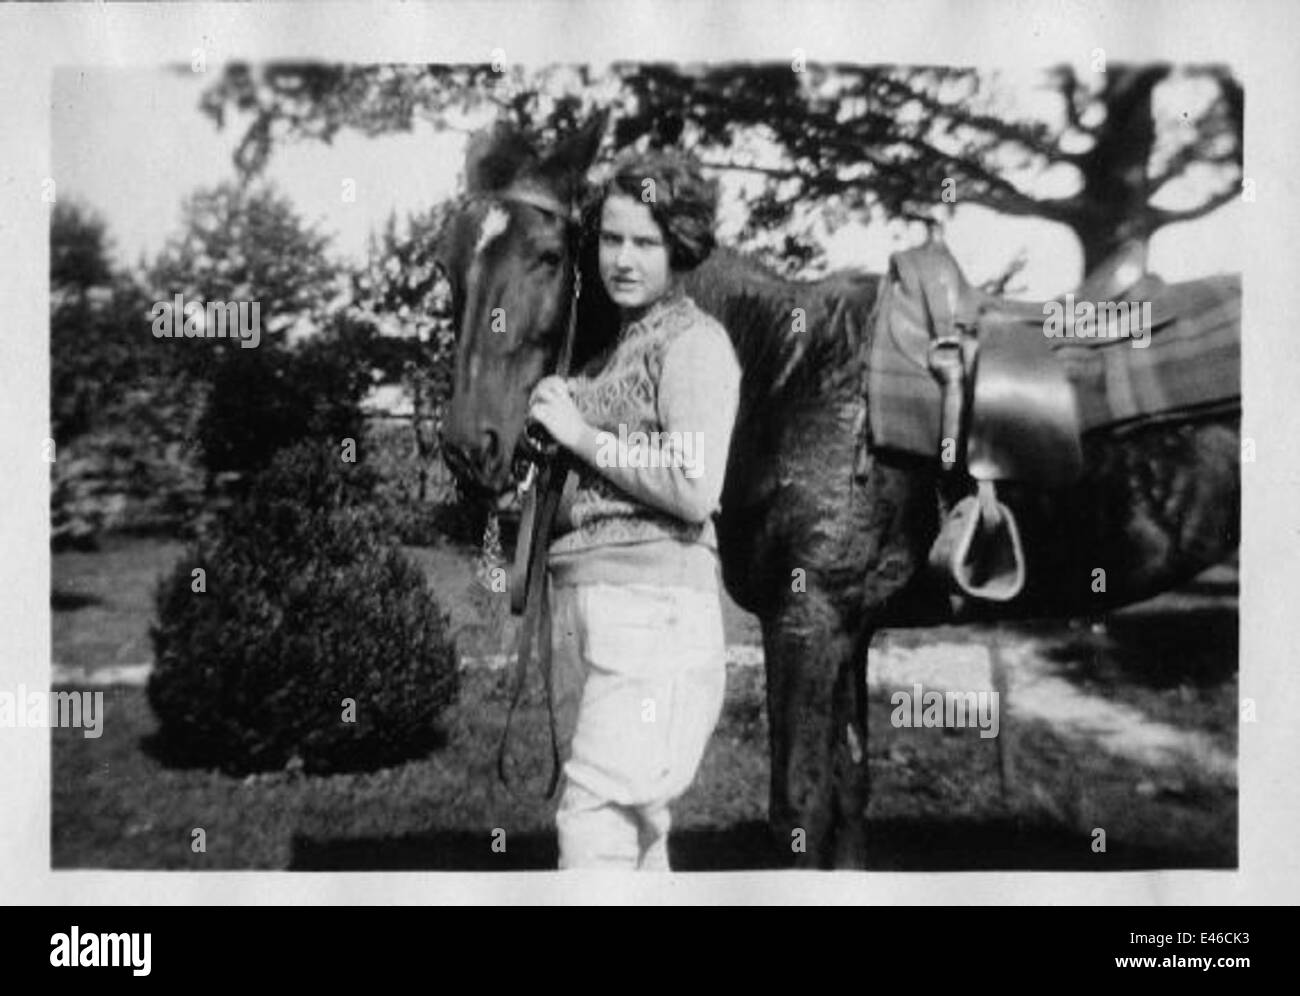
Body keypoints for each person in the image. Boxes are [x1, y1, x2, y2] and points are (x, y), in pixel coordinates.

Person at [524, 149, 741, 871]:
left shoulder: (695, 344)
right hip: (596, 608)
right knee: (639, 831)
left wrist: (583, 436)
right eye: (611, 239)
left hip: (657, 616)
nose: (622, 258)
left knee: (593, 820)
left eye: (644, 242)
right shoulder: (601, 358)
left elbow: (693, 487)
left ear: (678, 247)